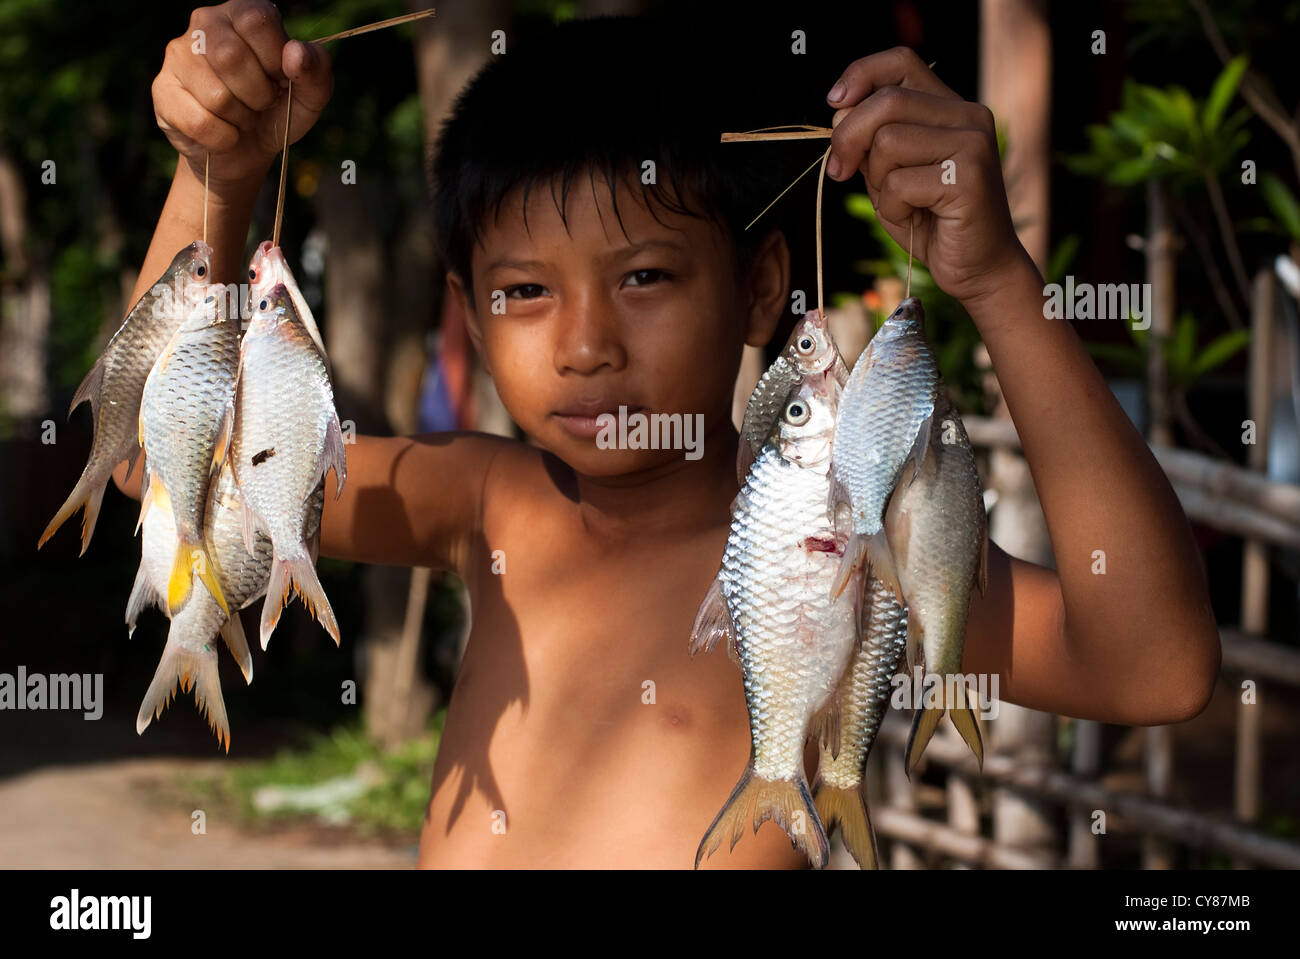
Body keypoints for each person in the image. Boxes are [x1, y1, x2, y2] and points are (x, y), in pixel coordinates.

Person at [115, 1, 1220, 868]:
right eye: (525, 292)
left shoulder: (840, 549)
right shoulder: (484, 504)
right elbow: (154, 464)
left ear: (760, 289)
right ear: (470, 314)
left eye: (644, 276)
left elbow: (1154, 667)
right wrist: (217, 173)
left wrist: (998, 284)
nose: (585, 344)